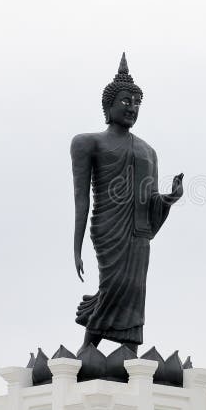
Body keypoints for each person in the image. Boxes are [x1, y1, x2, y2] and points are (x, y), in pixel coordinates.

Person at [71, 52, 183, 355]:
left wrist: (170, 198)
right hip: (109, 226)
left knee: (135, 287)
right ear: (108, 105)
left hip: (137, 232)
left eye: (137, 103)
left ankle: (130, 350)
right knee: (112, 283)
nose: (132, 107)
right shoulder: (87, 142)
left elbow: (151, 200)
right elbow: (81, 198)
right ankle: (88, 347)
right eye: (125, 101)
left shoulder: (148, 151)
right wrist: (76, 246)